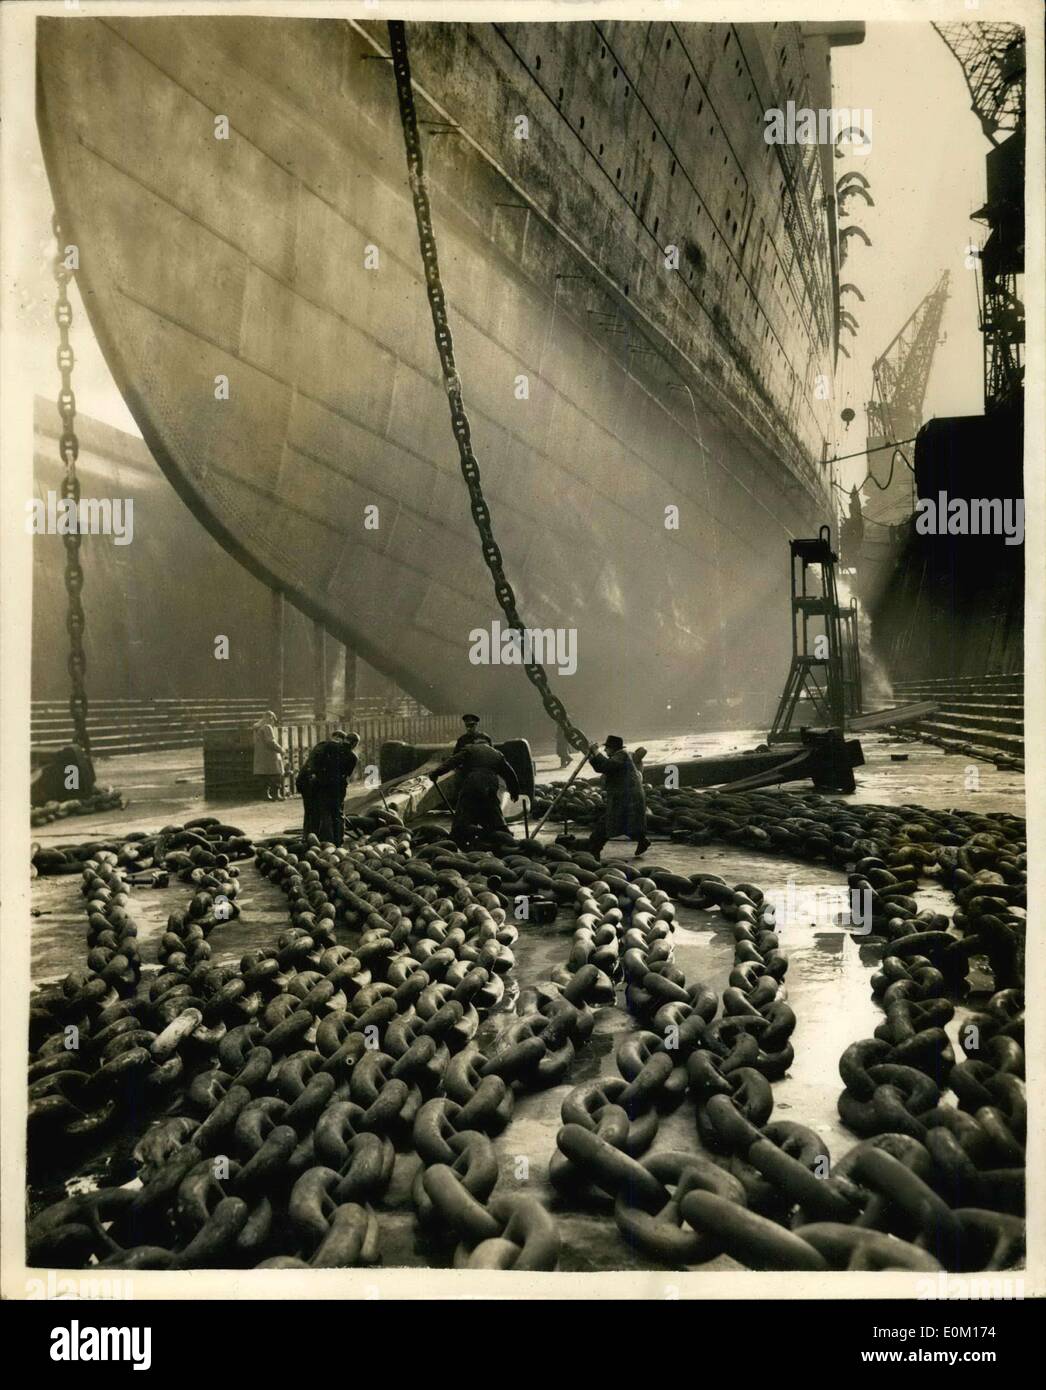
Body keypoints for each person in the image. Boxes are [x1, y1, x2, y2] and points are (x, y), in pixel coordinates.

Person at [431, 735, 521, 848]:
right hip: (491, 783)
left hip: (474, 782)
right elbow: (510, 774)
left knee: (463, 810)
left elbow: (453, 761)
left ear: (476, 742)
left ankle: (457, 839)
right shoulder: (497, 754)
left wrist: (436, 773)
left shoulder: (470, 749)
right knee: (493, 811)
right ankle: (504, 836)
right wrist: (514, 791)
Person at [587, 735, 650, 858]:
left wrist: (596, 752)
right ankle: (643, 841)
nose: (605, 750)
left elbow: (606, 766)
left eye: (607, 748)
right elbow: (602, 767)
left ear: (613, 748)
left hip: (626, 799)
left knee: (605, 825)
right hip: (626, 798)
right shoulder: (619, 756)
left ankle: (595, 851)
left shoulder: (621, 756)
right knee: (629, 824)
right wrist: (593, 756)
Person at [299, 730, 359, 844]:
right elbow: (346, 774)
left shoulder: (328, 746)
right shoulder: (353, 757)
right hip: (338, 788)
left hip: (322, 785)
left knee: (324, 812)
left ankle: (323, 840)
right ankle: (338, 841)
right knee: (338, 814)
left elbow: (317, 763)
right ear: (354, 744)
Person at [253, 711, 286, 800]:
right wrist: (281, 750)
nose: (274, 723)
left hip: (261, 757)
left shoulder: (258, 728)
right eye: (273, 721)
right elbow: (270, 742)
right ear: (271, 719)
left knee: (264, 776)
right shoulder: (267, 727)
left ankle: (266, 795)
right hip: (270, 756)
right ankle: (276, 795)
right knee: (276, 775)